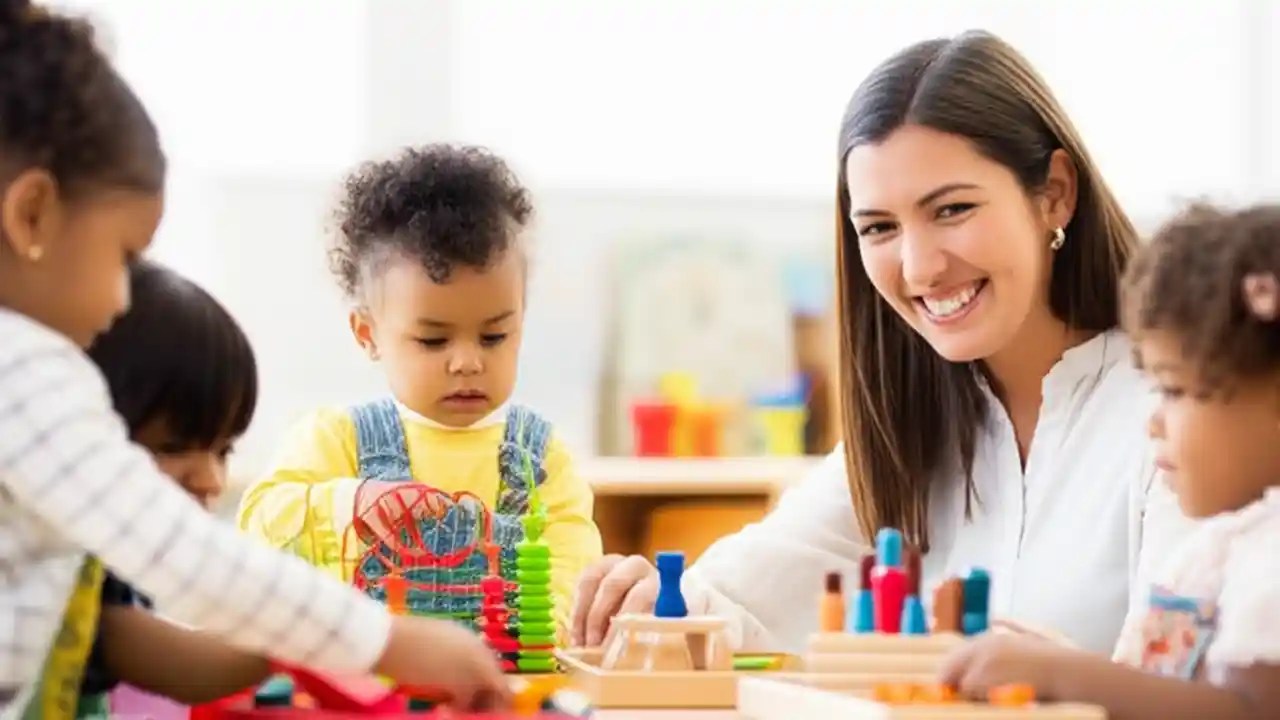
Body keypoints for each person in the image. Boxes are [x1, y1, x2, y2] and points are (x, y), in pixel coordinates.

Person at [571, 29, 1193, 655]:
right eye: (880, 227)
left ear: (1054, 193)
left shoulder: (1173, 416)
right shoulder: (910, 429)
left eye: (951, 210)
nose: (919, 268)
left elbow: (1183, 683)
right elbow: (736, 604)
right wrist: (650, 599)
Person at [0, 2, 508, 715]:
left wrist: (308, 641)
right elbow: (182, 555)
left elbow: (140, 634)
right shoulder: (24, 370)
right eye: (125, 255)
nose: (123, 298)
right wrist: (387, 640)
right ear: (31, 217)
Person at [236, 144, 602, 639]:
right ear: (368, 335)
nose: (468, 361)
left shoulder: (544, 460)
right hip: (376, 698)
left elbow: (574, 578)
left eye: (495, 336)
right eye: (433, 340)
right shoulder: (336, 439)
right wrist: (351, 502)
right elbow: (257, 527)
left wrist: (541, 634)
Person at [938, 203, 1280, 719]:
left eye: (1175, 389)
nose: (1153, 422)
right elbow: (1164, 691)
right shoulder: (1216, 549)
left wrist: (1063, 675)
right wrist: (1053, 663)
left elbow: (1246, 712)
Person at [75, 261, 270, 715]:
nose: (211, 480)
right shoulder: (66, 569)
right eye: (173, 446)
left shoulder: (124, 559)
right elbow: (186, 665)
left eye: (224, 451)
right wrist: (322, 639)